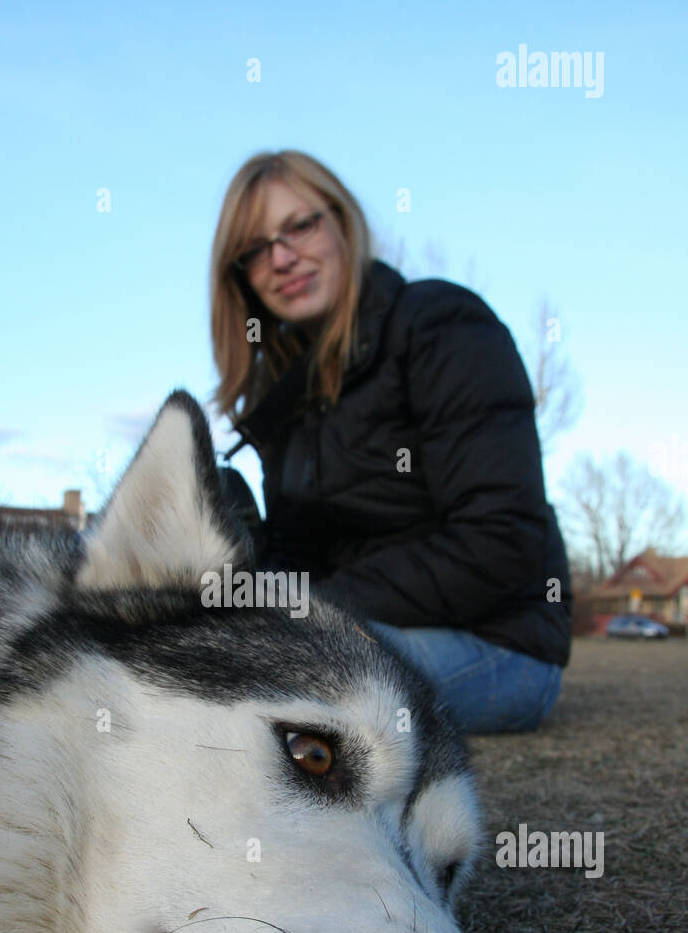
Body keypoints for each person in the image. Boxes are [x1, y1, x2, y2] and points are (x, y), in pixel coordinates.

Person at [209, 150, 572, 734]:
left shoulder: (442, 326)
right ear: (241, 277)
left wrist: (313, 609)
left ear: (342, 222)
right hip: (355, 629)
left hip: (500, 644)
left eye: (300, 225)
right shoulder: (288, 395)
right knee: (202, 658)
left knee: (256, 696)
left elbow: (501, 537)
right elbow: (305, 561)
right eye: (254, 249)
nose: (281, 258)